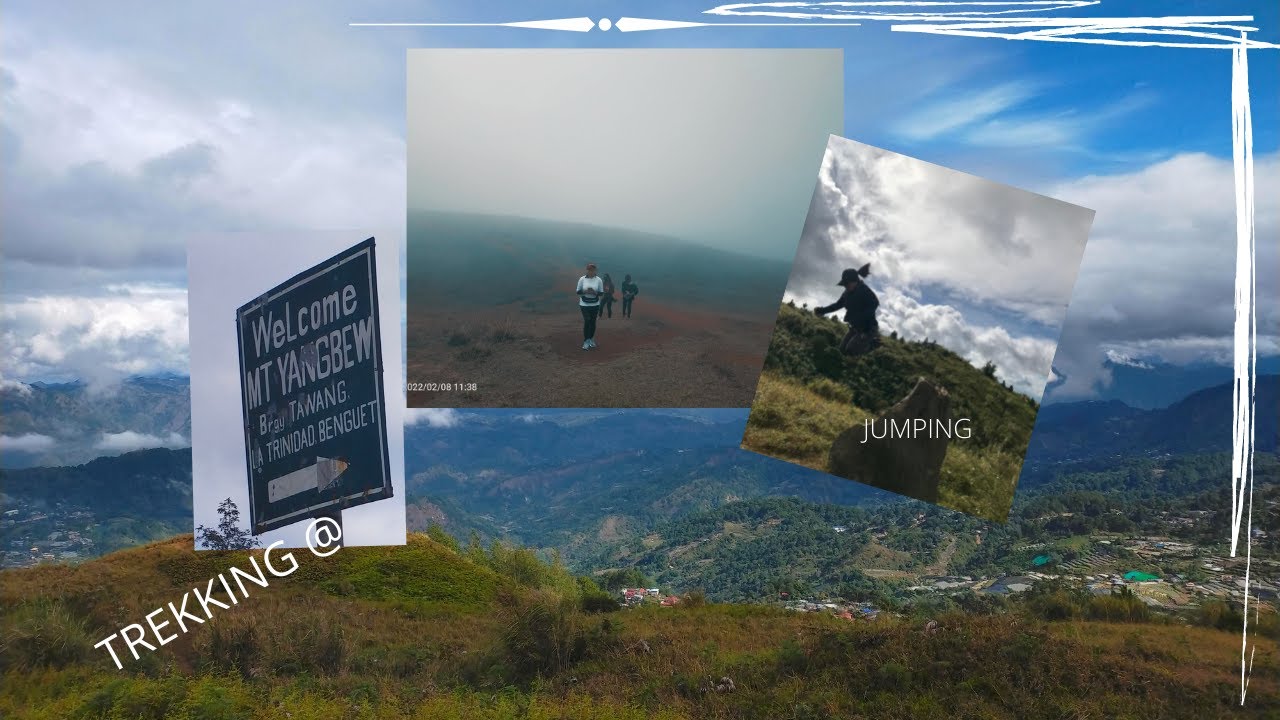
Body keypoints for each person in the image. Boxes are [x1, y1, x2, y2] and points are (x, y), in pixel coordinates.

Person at [814, 264, 881, 357]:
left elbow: (875, 304)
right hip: (855, 328)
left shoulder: (864, 291)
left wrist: (863, 325)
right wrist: (822, 310)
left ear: (855, 282)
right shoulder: (846, 294)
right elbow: (837, 305)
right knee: (841, 350)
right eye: (844, 284)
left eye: (847, 283)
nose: (845, 286)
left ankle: (873, 343)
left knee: (850, 352)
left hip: (868, 329)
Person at [576, 263, 604, 350]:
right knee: (587, 320)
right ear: (587, 270)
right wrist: (585, 291)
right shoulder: (582, 279)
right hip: (584, 304)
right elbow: (578, 291)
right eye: (589, 270)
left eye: (592, 270)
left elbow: (601, 293)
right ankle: (586, 340)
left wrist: (594, 293)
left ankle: (591, 339)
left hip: (595, 304)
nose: (590, 271)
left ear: (595, 270)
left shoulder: (599, 280)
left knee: (592, 322)